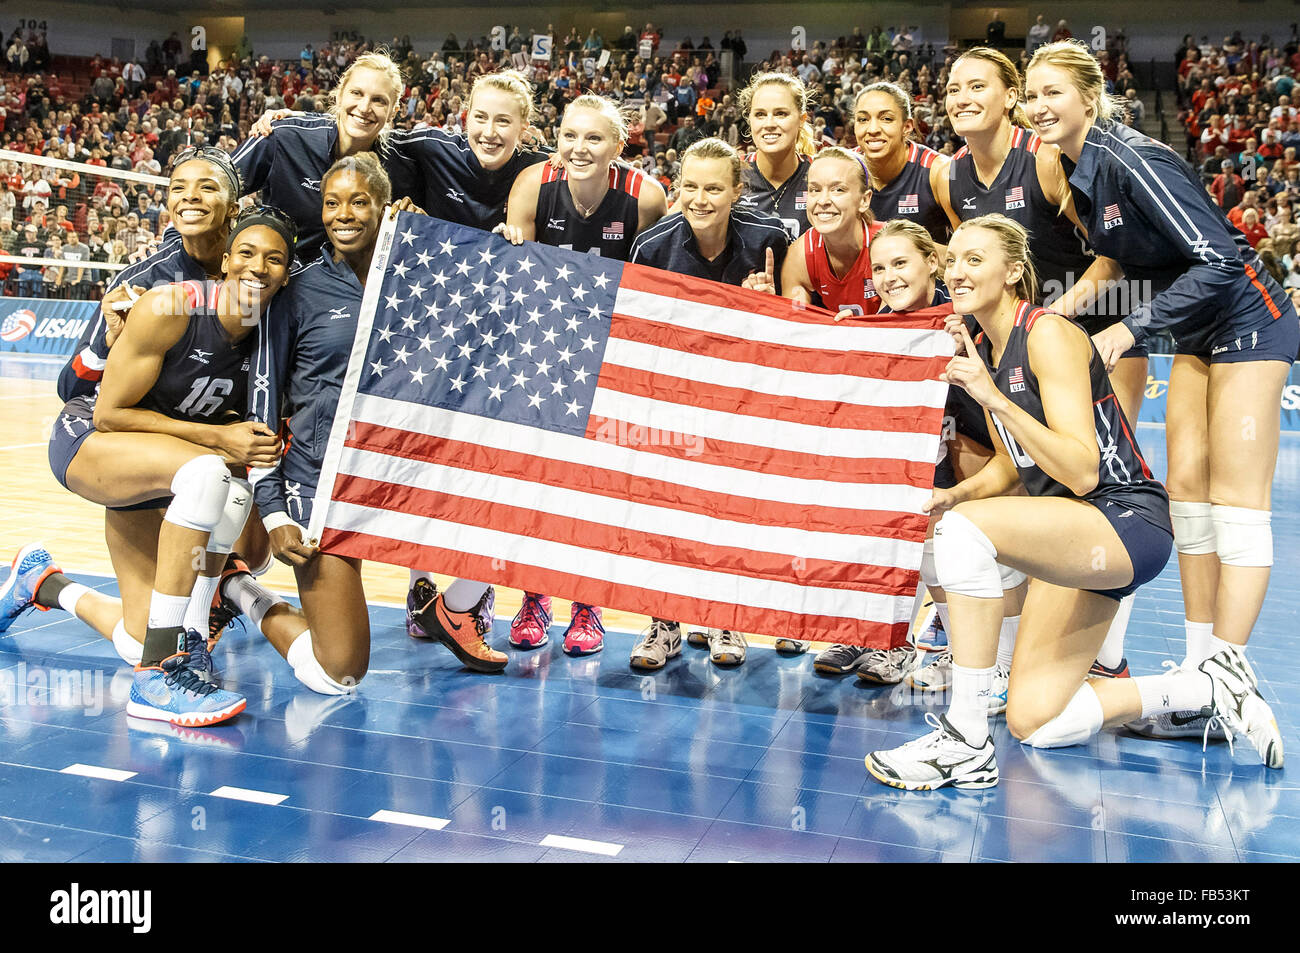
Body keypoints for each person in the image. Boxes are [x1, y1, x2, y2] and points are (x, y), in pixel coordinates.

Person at [864, 215, 1272, 791]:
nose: (957, 271)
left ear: (1013, 271)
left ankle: (966, 738)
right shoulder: (988, 343)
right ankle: (1202, 689)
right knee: (1039, 721)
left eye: (975, 260)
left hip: (1123, 518)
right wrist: (952, 493)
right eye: (952, 259)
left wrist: (991, 399)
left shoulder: (1047, 332)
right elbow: (1015, 462)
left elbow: (1081, 469)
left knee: (961, 534)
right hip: (1077, 530)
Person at [1026, 40, 1295, 750]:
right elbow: (1120, 258)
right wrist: (1063, 311)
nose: (1041, 105)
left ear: (1089, 95)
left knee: (1237, 506)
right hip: (1193, 331)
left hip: (1246, 319)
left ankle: (1226, 673)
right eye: (1034, 94)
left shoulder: (1131, 154)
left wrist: (1127, 330)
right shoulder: (1080, 168)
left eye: (1054, 91)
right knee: (1188, 497)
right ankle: (1203, 668)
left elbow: (1220, 258)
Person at [224, 154, 509, 691]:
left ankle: (453, 606)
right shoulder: (298, 292)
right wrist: (274, 510)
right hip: (321, 486)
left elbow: (497, 314)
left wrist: (512, 248)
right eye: (331, 203)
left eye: (358, 201)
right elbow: (261, 405)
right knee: (340, 672)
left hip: (403, 478)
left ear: (385, 205)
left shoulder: (421, 279)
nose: (343, 214)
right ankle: (242, 589)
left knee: (517, 507)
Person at [7, 206, 296, 727]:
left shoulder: (269, 337)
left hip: (164, 466)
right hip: (94, 440)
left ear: (287, 273)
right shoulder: (173, 306)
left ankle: (42, 583)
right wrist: (216, 437)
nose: (258, 267)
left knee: (139, 628)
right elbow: (109, 413)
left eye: (274, 260)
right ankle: (157, 675)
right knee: (211, 471)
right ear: (225, 261)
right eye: (247, 254)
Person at [941, 47, 1146, 676]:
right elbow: (972, 264)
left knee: (1098, 487)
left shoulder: (1049, 160)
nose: (962, 97)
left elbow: (1113, 256)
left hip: (1094, 335)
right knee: (1030, 479)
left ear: (1011, 96)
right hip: (1023, 345)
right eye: (953, 87)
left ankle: (1105, 656)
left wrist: (1056, 319)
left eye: (979, 85)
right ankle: (1022, 652)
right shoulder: (947, 178)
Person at [499, 94, 668, 656]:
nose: (579, 148)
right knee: (540, 483)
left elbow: (661, 281)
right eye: (570, 135)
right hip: (543, 355)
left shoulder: (645, 197)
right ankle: (534, 597)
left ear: (619, 147)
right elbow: (513, 276)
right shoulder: (531, 185)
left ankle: (587, 604)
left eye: (594, 138)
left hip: (613, 354)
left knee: (595, 487)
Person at [627, 136, 790, 669]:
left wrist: (770, 306)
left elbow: (795, 324)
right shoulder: (652, 247)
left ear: (738, 190)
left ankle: (727, 619)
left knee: (731, 511)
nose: (701, 198)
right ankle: (665, 622)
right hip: (677, 397)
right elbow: (640, 335)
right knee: (670, 511)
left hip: (745, 397)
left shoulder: (771, 238)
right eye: (691, 186)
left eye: (715, 188)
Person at [234, 51, 408, 259]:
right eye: (357, 93)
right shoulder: (284, 136)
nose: (364, 108)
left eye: (379, 100)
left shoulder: (404, 162)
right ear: (340, 94)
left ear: (393, 112)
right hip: (283, 283)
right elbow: (214, 180)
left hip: (352, 287)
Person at [854, 82, 954, 245]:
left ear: (907, 127)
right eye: (863, 119)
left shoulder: (937, 170)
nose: (872, 129)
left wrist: (906, 249)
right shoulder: (844, 168)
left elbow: (964, 250)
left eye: (886, 119)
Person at [733, 72, 817, 243]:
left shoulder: (821, 174)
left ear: (802, 119)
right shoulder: (730, 173)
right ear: (749, 119)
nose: (769, 124)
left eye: (780, 114)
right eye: (760, 114)